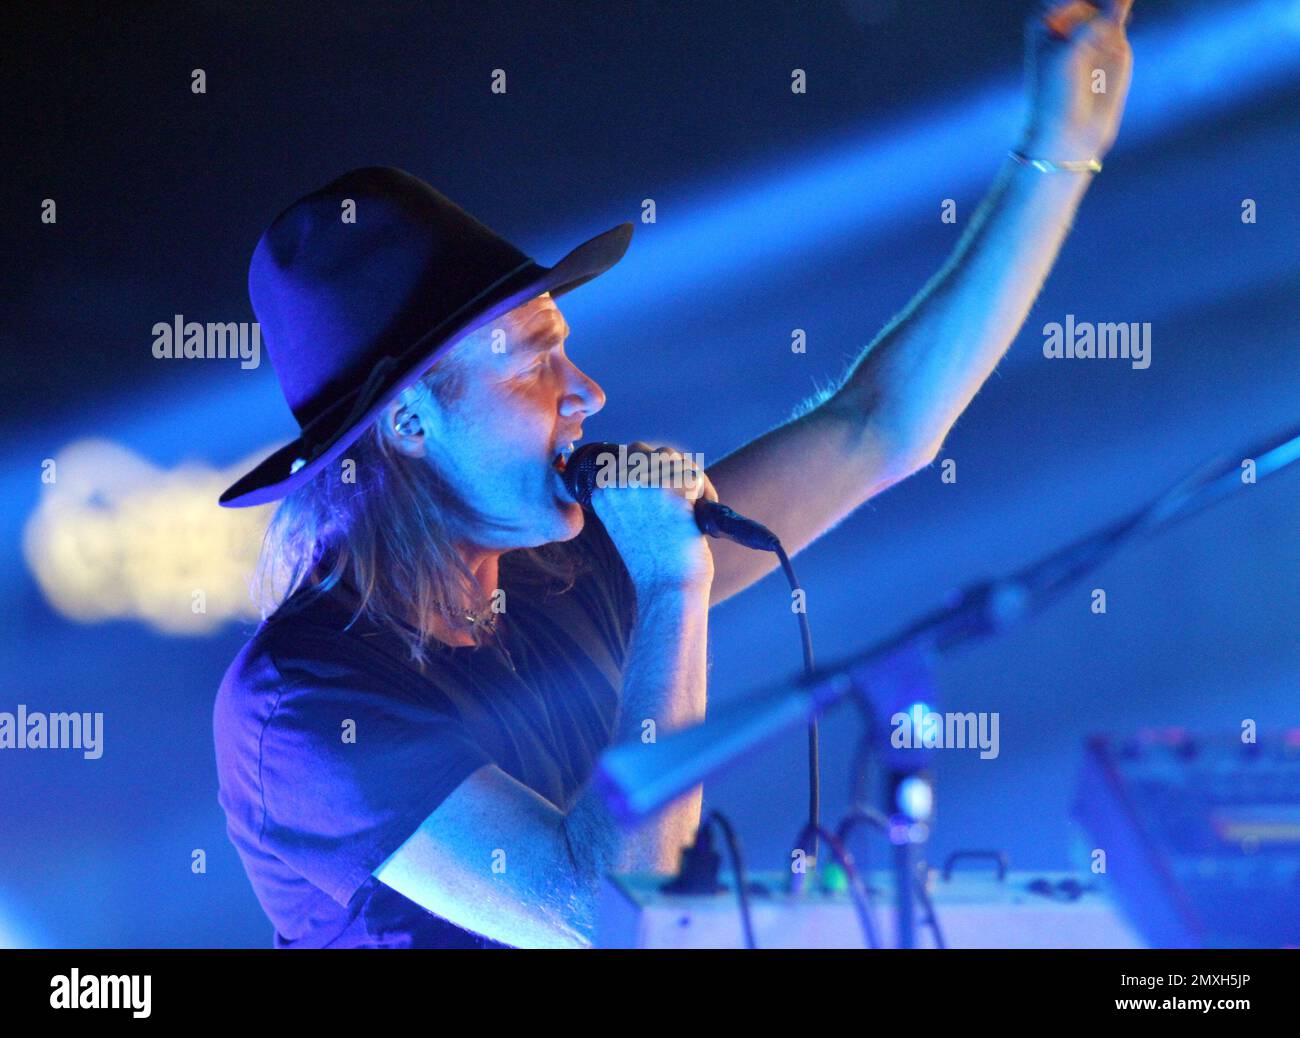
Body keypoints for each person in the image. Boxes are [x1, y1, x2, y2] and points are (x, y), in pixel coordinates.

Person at [213, 0, 1134, 948]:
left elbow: (877, 427)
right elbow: (601, 911)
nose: (588, 394)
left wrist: (1057, 155)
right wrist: (669, 583)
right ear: (408, 421)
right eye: (534, 363)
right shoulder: (306, 706)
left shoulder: (558, 570)